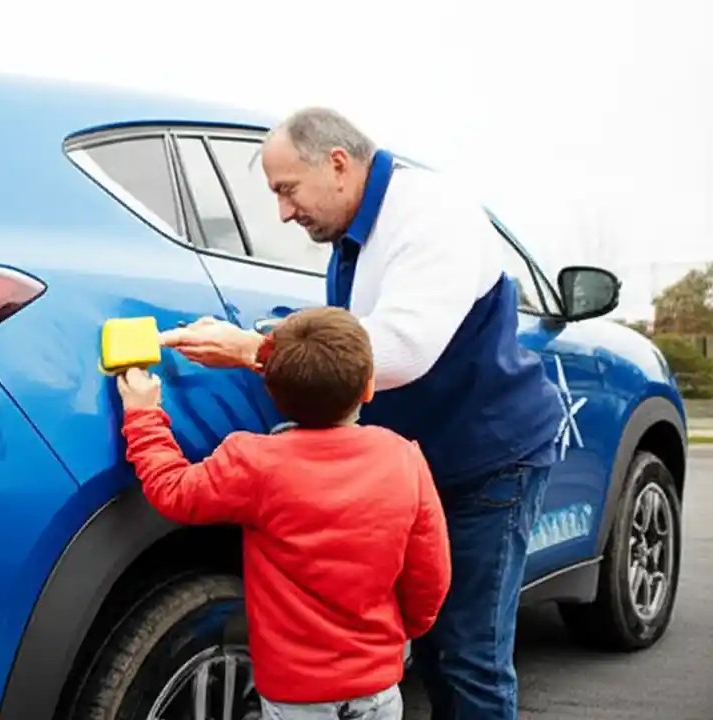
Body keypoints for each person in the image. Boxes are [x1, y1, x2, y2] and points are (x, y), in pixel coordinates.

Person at [158, 107, 565, 720]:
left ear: (339, 165)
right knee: (439, 651)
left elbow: (399, 349)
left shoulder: (430, 216)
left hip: (486, 463)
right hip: (422, 465)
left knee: (469, 657)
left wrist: (256, 349)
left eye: (287, 190)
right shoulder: (361, 226)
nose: (284, 212)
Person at [117, 306, 451, 720]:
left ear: (271, 391)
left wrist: (143, 413)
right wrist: (409, 629)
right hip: (377, 683)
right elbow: (429, 572)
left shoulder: (255, 462)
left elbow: (172, 491)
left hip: (296, 692)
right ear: (368, 388)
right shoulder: (402, 458)